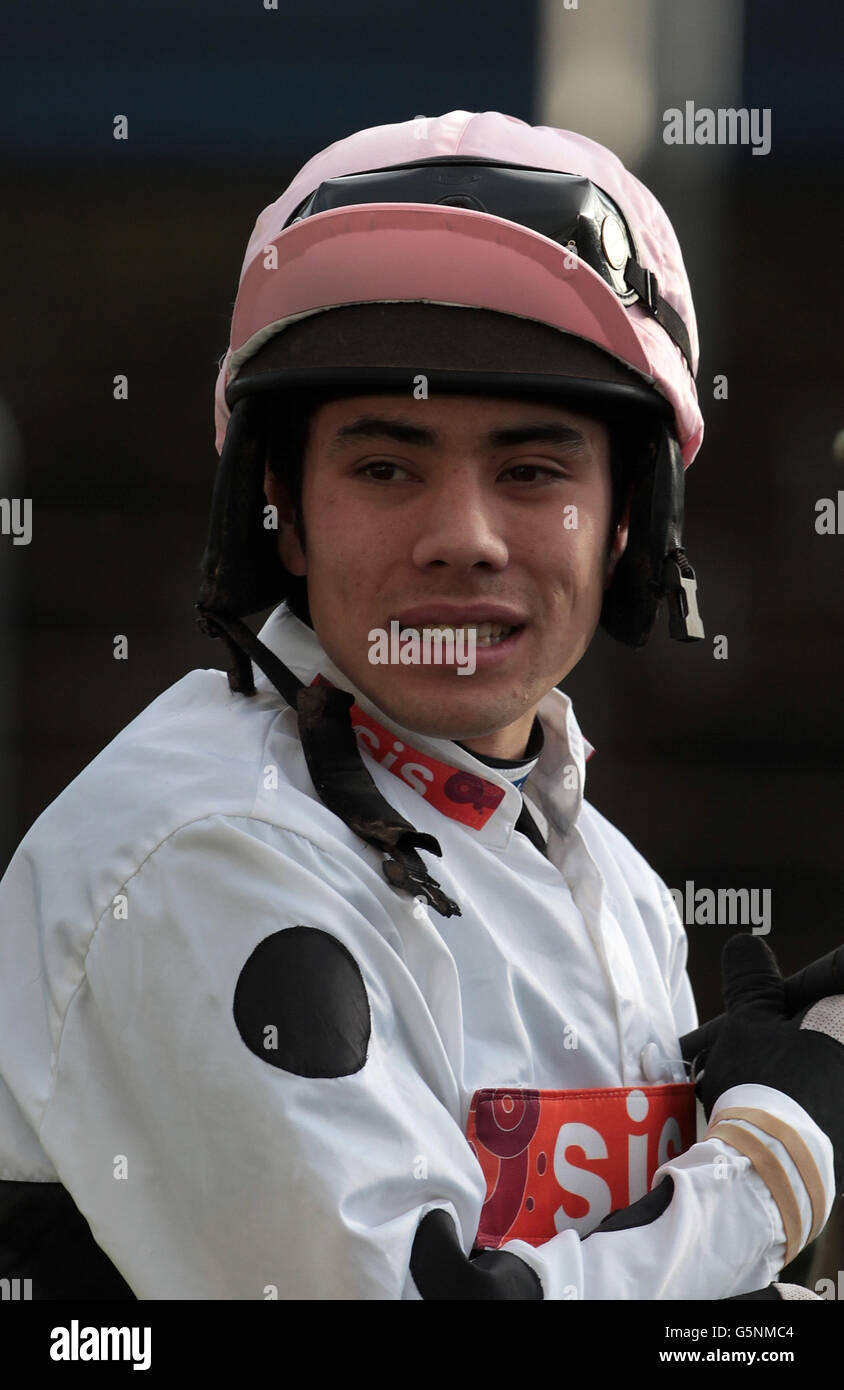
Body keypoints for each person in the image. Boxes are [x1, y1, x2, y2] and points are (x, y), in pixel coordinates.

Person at [0, 110, 841, 1301]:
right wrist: (771, 1168)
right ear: (279, 509)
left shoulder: (616, 884)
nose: (462, 537)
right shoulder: (206, 849)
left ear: (626, 524)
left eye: (531, 470)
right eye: (386, 467)